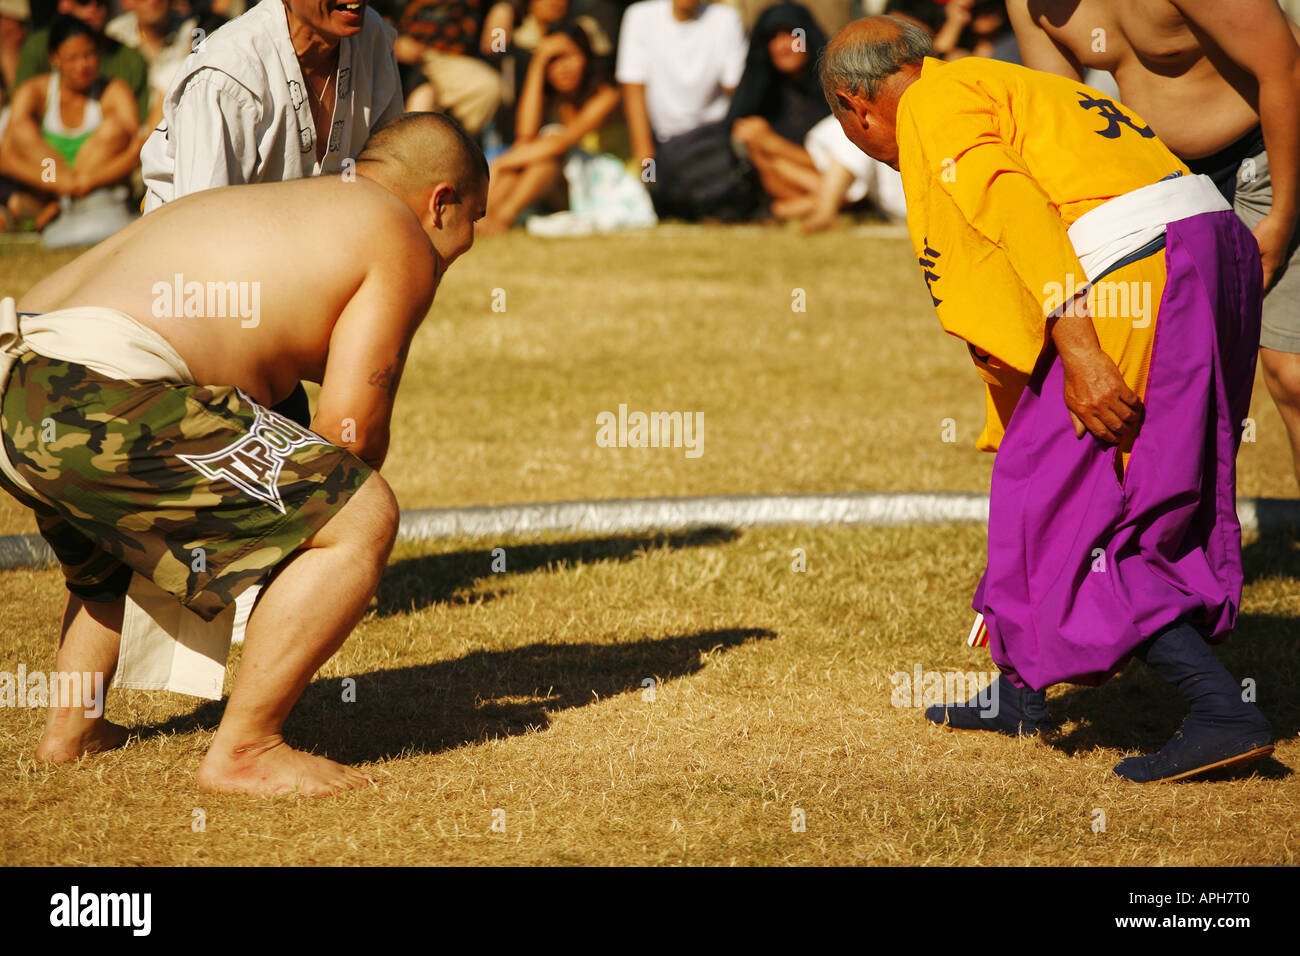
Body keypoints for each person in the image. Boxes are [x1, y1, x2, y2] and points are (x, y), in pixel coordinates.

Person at [822, 17, 1274, 782]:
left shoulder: (932, 105)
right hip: (1205, 246)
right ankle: (1024, 690)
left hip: (1138, 274)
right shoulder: (995, 81)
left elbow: (1018, 212)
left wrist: (1084, 351)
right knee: (1046, 477)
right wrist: (1014, 414)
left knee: (1095, 503)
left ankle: (1220, 710)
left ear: (854, 105)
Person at [0, 112, 487, 796]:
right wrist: (296, 534)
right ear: (442, 202)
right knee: (359, 516)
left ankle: (73, 729)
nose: (466, 245)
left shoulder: (292, 202)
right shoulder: (397, 231)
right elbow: (349, 435)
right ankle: (246, 750)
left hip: (18, 382)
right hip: (87, 393)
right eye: (474, 221)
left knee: (108, 557)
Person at [1008, 1, 1300, 495]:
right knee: (1174, 378)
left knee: (1291, 373)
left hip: (1267, 154)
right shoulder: (1030, 3)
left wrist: (1282, 217)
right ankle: (1182, 555)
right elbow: (1063, 119)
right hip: (1159, 176)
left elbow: (1286, 69)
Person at [140, 0, 404, 428]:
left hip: (274, 314)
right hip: (190, 324)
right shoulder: (226, 75)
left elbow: (391, 184)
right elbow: (199, 252)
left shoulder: (371, 39)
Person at [0, 15, 141, 238]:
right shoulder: (35, 91)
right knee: (21, 131)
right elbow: (5, 156)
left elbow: (137, 150)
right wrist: (59, 183)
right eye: (72, 58)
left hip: (98, 189)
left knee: (115, 128)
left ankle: (55, 212)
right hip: (50, 186)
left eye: (89, 55)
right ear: (55, 59)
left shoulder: (113, 90)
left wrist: (85, 182)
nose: (82, 65)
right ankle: (47, 210)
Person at [478, 21, 624, 233]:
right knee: (531, 153)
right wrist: (538, 63)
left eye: (569, 56)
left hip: (602, 185)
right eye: (553, 60)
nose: (563, 67)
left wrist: (501, 163)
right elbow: (525, 135)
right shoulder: (555, 98)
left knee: (547, 152)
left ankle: (502, 217)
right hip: (560, 182)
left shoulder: (606, 94)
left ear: (586, 57)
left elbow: (561, 143)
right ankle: (485, 217)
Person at [15, 0, 149, 122]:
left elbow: (136, 133)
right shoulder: (37, 47)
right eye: (83, 2)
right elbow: (16, 127)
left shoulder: (129, 60)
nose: (93, 8)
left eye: (101, 2)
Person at [396, 0, 502, 134]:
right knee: (423, 97)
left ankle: (452, 145)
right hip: (403, 55)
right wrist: (393, 41)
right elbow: (377, 13)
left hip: (454, 59)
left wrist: (500, 38)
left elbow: (497, 47)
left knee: (488, 86)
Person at [104, 0, 199, 131]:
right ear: (127, 2)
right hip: (129, 128)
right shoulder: (114, 34)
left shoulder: (197, 29)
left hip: (178, 126)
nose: (152, 2)